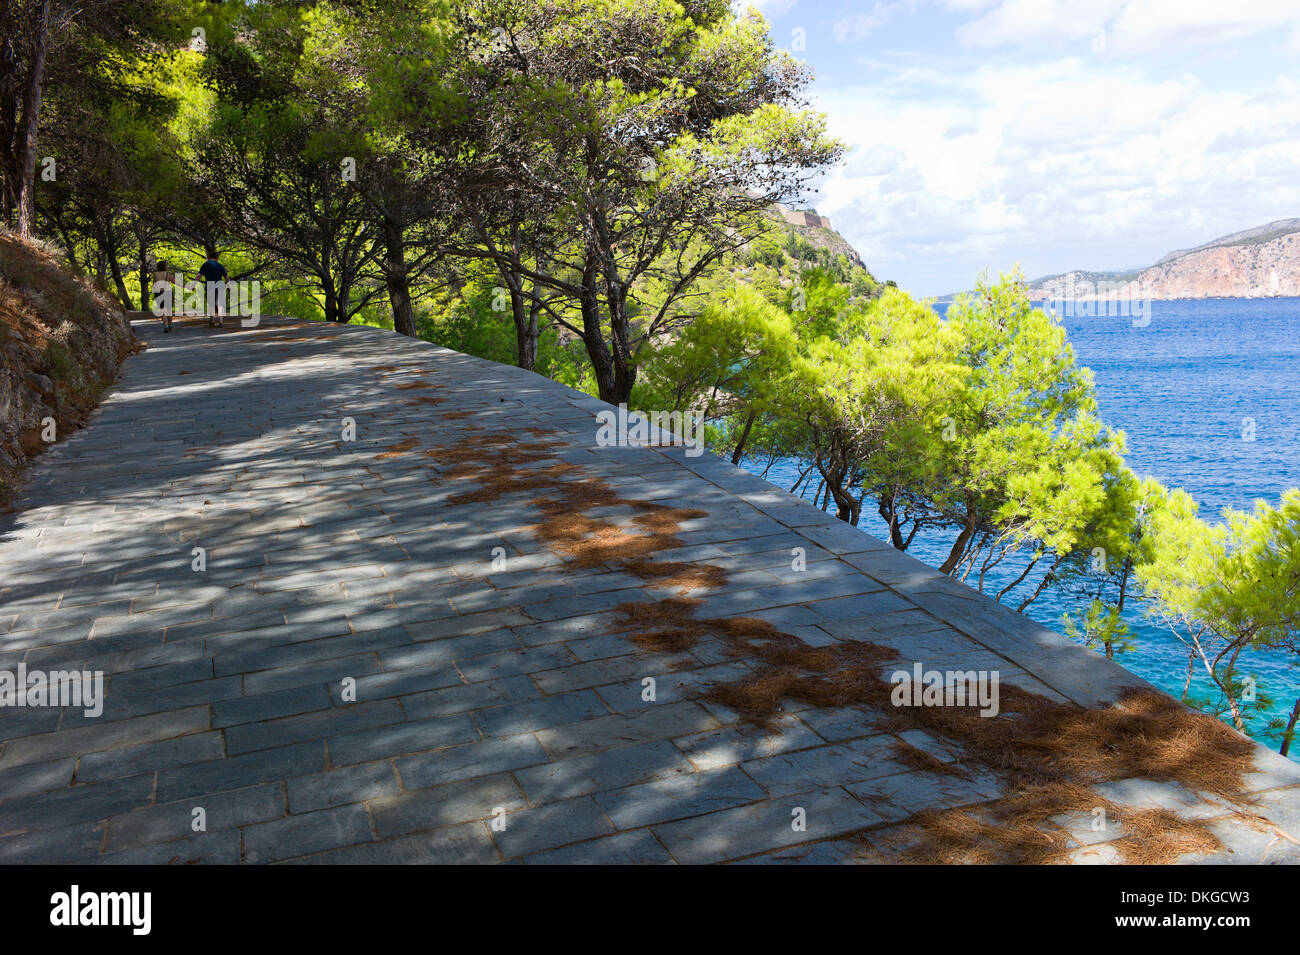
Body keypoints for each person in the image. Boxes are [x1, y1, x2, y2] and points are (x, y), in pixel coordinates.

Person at [197, 252, 230, 327]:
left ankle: (212, 320)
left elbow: (199, 275)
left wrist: (194, 284)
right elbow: (227, 278)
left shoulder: (206, 264)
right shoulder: (220, 266)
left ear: (209, 257)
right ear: (217, 258)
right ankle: (221, 321)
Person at [152, 259, 174, 332]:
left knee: (162, 310)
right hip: (168, 292)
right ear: (165, 267)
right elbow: (175, 281)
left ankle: (166, 326)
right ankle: (170, 325)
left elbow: (154, 285)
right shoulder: (168, 274)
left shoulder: (156, 275)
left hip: (158, 293)